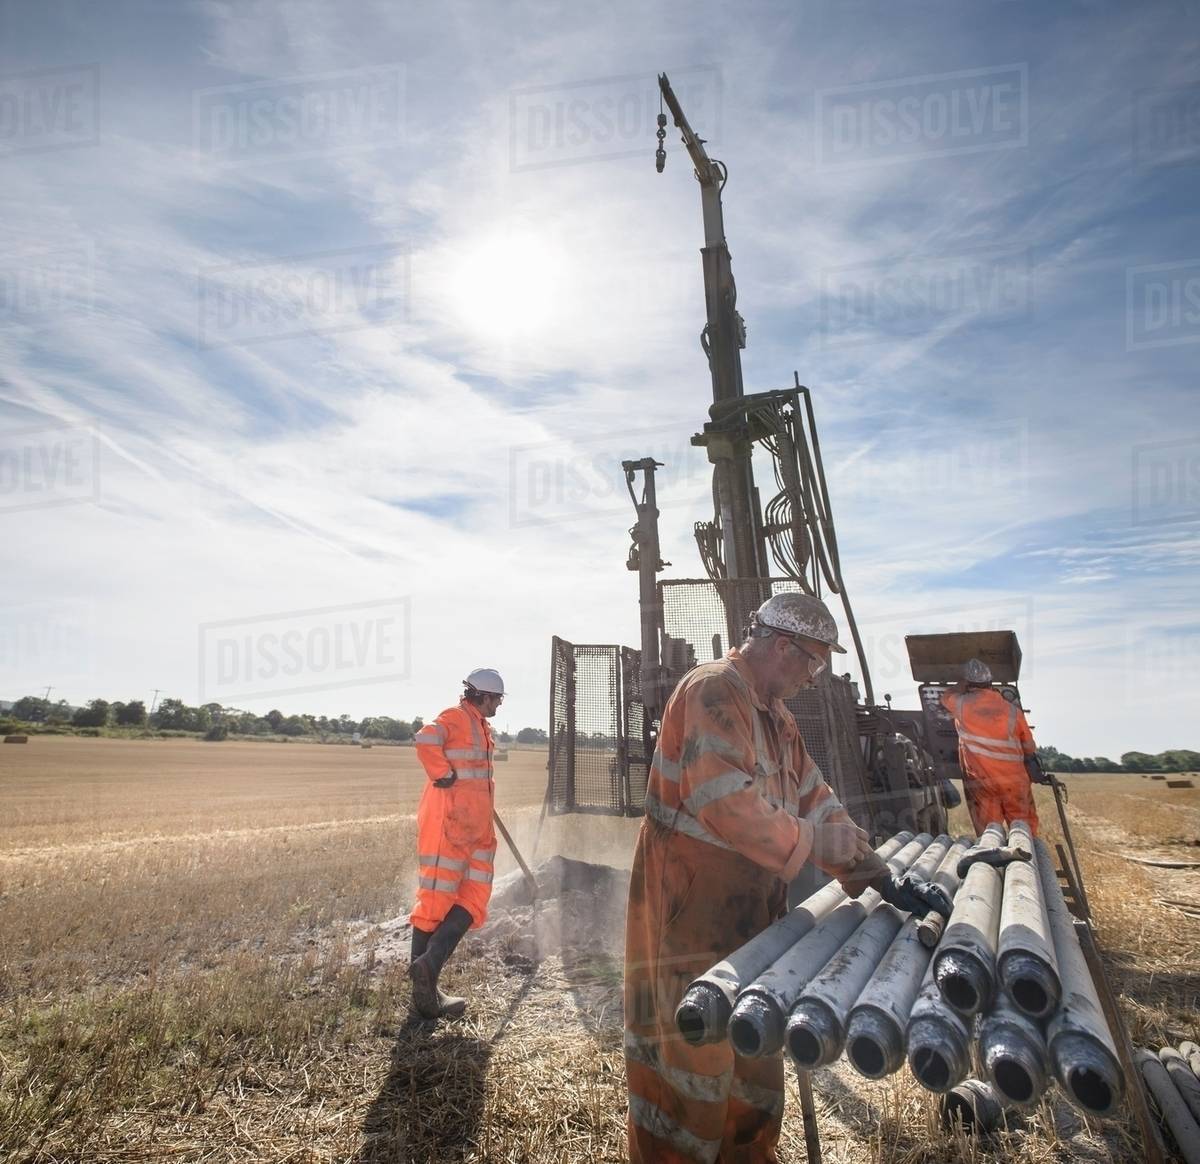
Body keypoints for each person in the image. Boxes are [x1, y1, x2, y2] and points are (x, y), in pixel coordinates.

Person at [624, 592, 875, 1163]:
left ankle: (747, 1153)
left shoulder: (777, 718)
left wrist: (863, 860)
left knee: (752, 1041)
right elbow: (722, 801)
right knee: (690, 1051)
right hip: (689, 901)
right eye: (813, 661)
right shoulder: (713, 690)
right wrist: (814, 843)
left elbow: (814, 792)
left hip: (752, 902)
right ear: (782, 646)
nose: (814, 677)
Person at [408, 668, 504, 1020]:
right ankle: (425, 995)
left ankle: (429, 963)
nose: (498, 706)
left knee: (476, 895)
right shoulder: (455, 716)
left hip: (477, 828)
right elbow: (426, 738)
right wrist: (442, 774)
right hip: (447, 826)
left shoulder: (480, 725)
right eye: (497, 700)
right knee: (435, 903)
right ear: (484, 696)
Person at [940, 658, 1046, 836]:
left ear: (968, 684)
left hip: (983, 781)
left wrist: (960, 685)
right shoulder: (1013, 711)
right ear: (990, 683)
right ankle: (1029, 856)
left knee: (991, 833)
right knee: (1024, 829)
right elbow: (1029, 747)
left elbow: (945, 696)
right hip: (1015, 780)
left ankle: (995, 861)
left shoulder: (960, 705)